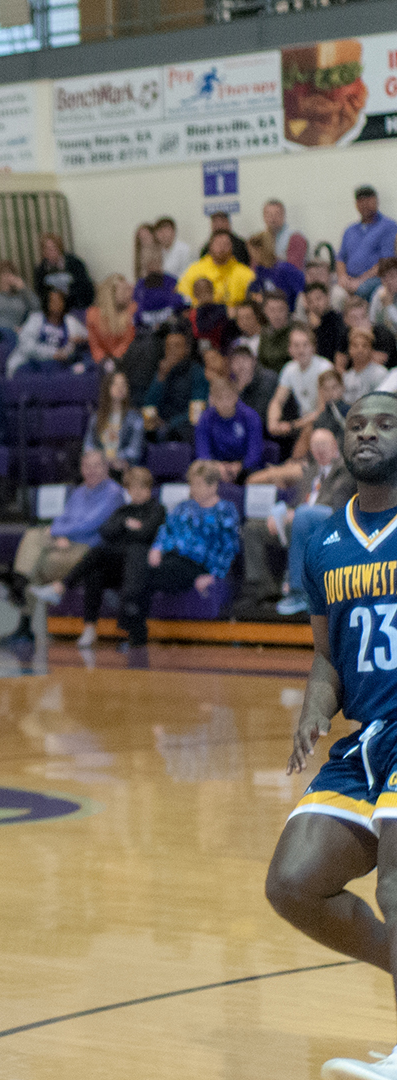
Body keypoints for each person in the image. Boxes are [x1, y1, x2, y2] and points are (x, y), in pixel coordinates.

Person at [267, 393, 397, 1080]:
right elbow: (327, 654)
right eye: (356, 423)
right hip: (366, 738)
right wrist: (315, 704)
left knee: (396, 886)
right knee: (294, 884)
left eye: (385, 421)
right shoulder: (324, 543)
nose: (368, 432)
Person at [30, 466, 165, 648]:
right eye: (133, 488)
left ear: (149, 488)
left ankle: (61, 586)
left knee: (102, 553)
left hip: (140, 566)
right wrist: (126, 525)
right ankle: (89, 628)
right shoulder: (124, 512)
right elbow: (106, 531)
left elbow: (145, 535)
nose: (137, 493)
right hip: (119, 565)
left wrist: (124, 531)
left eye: (142, 488)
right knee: (94, 571)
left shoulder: (157, 509)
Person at [2, 450, 125, 647]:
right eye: (87, 466)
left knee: (35, 558)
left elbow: (90, 524)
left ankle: (18, 585)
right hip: (65, 546)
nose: (91, 470)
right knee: (32, 538)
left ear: (106, 468)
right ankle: (23, 611)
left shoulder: (113, 493)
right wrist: (59, 534)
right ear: (81, 469)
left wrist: (60, 532)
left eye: (96, 466)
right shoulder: (78, 492)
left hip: (88, 553)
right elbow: (63, 518)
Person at [116, 460, 238, 649]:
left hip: (198, 564)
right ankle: (134, 627)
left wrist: (213, 576)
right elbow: (167, 530)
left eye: (198, 484)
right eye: (191, 484)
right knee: (142, 563)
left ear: (213, 485)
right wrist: (157, 548)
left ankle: (132, 626)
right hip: (172, 558)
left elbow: (228, 549)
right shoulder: (183, 507)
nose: (193, 489)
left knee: (144, 574)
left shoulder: (226, 511)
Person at [239, 427, 353, 615]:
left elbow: (339, 506)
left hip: (330, 523)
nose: (319, 449)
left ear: (335, 446)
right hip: (299, 522)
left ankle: (299, 591)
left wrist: (299, 512)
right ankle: (264, 591)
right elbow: (297, 502)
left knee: (302, 515)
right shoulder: (310, 471)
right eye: (315, 446)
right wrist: (281, 513)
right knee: (253, 528)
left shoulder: (345, 470)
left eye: (323, 444)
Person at [268, 326, 338, 453]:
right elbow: (277, 400)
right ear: (290, 349)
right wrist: (273, 422)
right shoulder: (289, 369)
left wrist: (292, 425)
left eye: (305, 345)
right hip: (303, 423)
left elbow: (321, 411)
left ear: (313, 347)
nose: (301, 350)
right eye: (296, 345)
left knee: (309, 428)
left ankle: (295, 462)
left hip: (326, 424)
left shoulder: (324, 368)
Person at [143, 329, 209, 443]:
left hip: (185, 427)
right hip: (161, 426)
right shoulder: (161, 371)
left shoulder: (197, 372)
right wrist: (160, 378)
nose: (172, 351)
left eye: (177, 346)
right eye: (169, 347)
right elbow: (149, 405)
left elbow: (197, 411)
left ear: (187, 349)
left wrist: (170, 424)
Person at [195, 379, 265, 482]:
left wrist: (241, 465)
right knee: (200, 471)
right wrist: (216, 466)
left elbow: (255, 451)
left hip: (246, 468)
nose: (224, 402)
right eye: (219, 398)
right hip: (215, 467)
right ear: (212, 399)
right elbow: (202, 451)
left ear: (236, 396)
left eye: (228, 397)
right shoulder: (205, 418)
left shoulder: (250, 416)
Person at [337, 184, 397, 300]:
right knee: (334, 294)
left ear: (376, 201)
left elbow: (386, 262)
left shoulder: (388, 227)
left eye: (368, 200)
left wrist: (360, 281)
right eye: (360, 201)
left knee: (362, 290)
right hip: (349, 278)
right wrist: (342, 277)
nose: (364, 204)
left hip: (375, 278)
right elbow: (340, 258)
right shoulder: (350, 230)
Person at [9, 288, 88, 375]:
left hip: (60, 367)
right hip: (31, 364)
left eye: (60, 301)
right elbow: (26, 346)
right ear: (46, 303)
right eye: (53, 301)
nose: (56, 304)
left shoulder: (70, 321)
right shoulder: (35, 319)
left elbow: (89, 336)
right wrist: (52, 353)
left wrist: (82, 340)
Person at [0, 261, 39, 366]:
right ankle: (11, 367)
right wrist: (11, 327)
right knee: (12, 336)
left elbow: (36, 308)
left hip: (18, 331)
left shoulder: (20, 295)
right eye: (4, 273)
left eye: (11, 273)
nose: (8, 277)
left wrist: (24, 289)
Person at [178, 231, 257, 308]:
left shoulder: (244, 273)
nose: (222, 248)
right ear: (210, 246)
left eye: (226, 244)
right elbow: (184, 298)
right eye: (218, 244)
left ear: (232, 247)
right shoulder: (194, 270)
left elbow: (254, 300)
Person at [85, 371, 145, 472]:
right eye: (115, 384)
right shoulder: (96, 417)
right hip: (100, 467)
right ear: (107, 388)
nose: (120, 388)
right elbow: (88, 445)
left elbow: (134, 450)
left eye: (123, 384)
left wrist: (115, 459)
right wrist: (101, 459)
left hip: (124, 467)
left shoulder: (135, 418)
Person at [33, 232, 94, 311]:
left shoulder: (75, 264)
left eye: (53, 248)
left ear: (60, 248)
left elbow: (86, 289)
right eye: (46, 249)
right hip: (53, 310)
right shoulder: (40, 270)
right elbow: (41, 294)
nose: (50, 252)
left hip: (76, 306)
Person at [86, 274, 136, 366]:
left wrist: (115, 359)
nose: (129, 294)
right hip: (102, 362)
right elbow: (95, 347)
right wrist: (103, 361)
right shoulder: (92, 314)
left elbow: (128, 341)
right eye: (124, 290)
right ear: (111, 292)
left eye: (128, 289)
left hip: (124, 360)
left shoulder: (132, 310)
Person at [133, 252, 188, 331]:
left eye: (156, 262)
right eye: (150, 263)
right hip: (146, 329)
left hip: (171, 326)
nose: (153, 267)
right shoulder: (140, 285)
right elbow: (136, 309)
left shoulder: (172, 281)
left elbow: (182, 301)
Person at [250, 231, 307, 301]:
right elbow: (255, 291)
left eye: (253, 252)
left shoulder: (286, 270)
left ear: (260, 250)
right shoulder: (260, 270)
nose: (252, 257)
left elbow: (301, 293)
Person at [230, 346, 280, 426]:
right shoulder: (232, 385)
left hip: (273, 433)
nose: (241, 364)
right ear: (231, 365)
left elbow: (258, 417)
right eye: (236, 360)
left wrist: (241, 389)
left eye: (244, 359)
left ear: (254, 361)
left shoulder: (267, 379)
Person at [341, 327, 391, 405]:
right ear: (349, 350)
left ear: (371, 350)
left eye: (365, 346)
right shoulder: (346, 377)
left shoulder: (380, 374)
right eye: (355, 346)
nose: (360, 350)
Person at [309, 281, 351, 361]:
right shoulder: (310, 325)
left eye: (318, 298)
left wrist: (318, 328)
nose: (315, 304)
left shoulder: (338, 320)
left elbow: (330, 352)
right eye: (311, 301)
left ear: (327, 297)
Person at [262, 197, 309, 269]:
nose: (272, 219)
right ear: (264, 217)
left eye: (277, 214)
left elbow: (293, 266)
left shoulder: (296, 238)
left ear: (283, 216)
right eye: (269, 215)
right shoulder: (259, 240)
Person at [258, 292, 298, 371]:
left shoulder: (297, 330)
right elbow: (262, 361)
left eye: (281, 309)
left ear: (287, 310)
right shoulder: (265, 332)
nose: (276, 315)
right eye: (272, 310)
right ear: (265, 312)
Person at [155, 216, 195, 282]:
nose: (164, 234)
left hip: (180, 286)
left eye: (167, 230)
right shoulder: (155, 250)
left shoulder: (184, 249)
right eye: (160, 231)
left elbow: (187, 274)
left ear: (174, 232)